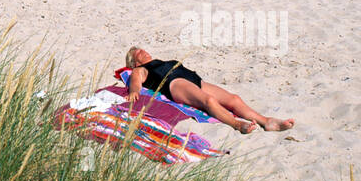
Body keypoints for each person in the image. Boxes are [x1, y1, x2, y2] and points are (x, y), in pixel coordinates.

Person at [123, 48, 293, 134]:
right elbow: (136, 82)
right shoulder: (141, 70)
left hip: (193, 79)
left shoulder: (160, 60)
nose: (143, 52)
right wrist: (134, 91)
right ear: (135, 62)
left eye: (143, 49)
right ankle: (237, 124)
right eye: (139, 53)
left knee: (234, 99)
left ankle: (267, 121)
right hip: (174, 83)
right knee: (209, 101)